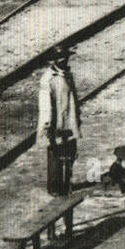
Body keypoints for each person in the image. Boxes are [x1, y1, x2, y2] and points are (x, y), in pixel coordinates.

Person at [37, 43, 80, 196]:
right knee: (55, 154)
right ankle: (54, 187)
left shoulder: (68, 75)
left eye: (65, 57)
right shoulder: (48, 79)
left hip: (69, 119)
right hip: (55, 122)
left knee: (70, 151)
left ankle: (66, 183)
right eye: (59, 58)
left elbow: (74, 97)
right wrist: (48, 124)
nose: (63, 60)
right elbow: (45, 105)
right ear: (53, 61)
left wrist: (77, 118)